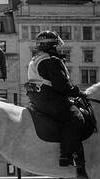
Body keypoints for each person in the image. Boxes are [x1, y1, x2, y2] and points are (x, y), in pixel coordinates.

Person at [26, 30, 88, 171]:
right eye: (56, 46)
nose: (57, 48)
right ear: (51, 46)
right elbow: (61, 85)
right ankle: (66, 155)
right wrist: (78, 92)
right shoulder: (50, 60)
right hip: (50, 99)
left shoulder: (36, 58)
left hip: (37, 98)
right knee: (76, 118)